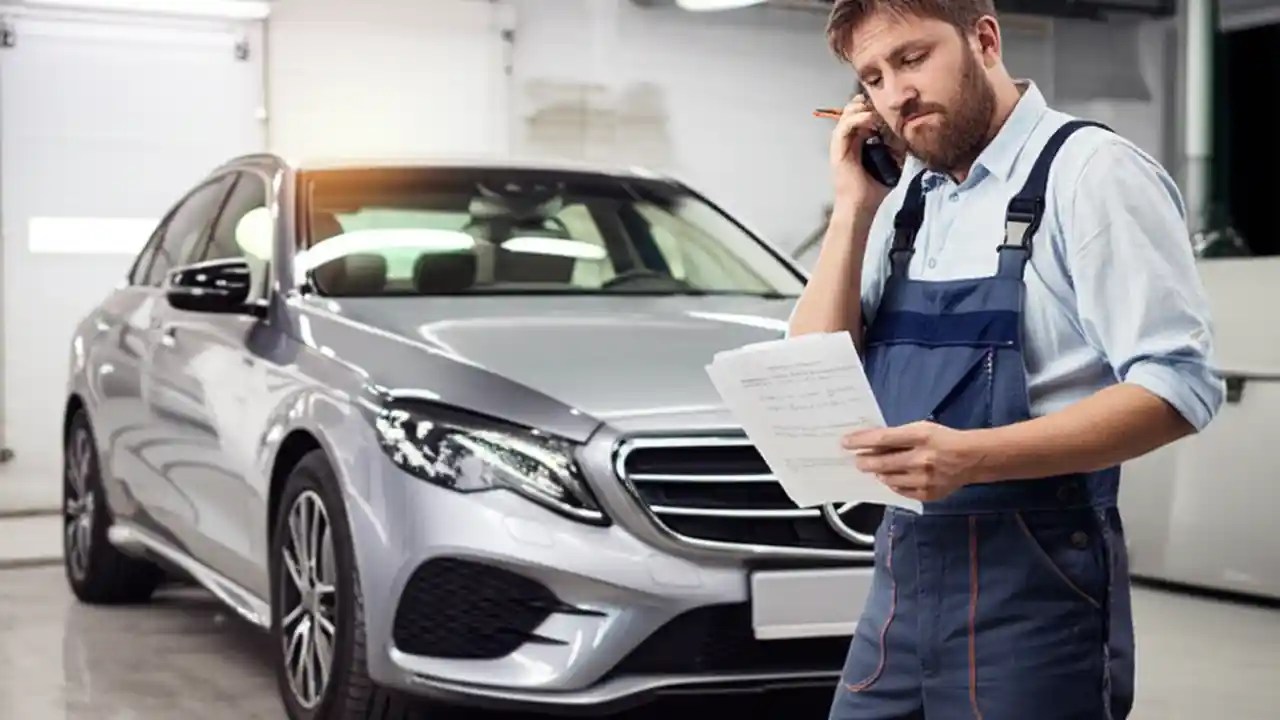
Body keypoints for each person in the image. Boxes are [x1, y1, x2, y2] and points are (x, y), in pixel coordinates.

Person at [786, 1, 1225, 718]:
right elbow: (811, 373)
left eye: (911, 58)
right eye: (871, 77)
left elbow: (1179, 388)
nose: (894, 94)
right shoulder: (907, 201)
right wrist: (851, 209)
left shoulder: (1091, 175)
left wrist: (972, 458)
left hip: (1037, 590)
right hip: (900, 586)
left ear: (983, 40)